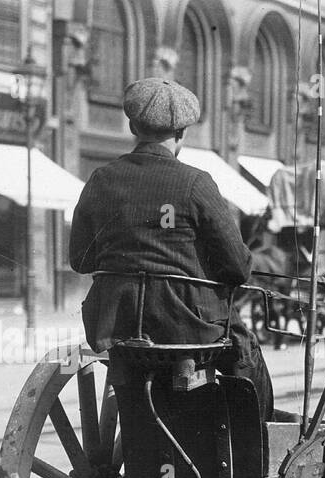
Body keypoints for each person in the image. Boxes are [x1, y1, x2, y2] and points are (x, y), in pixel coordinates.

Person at [69, 77, 273, 416]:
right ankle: (257, 438)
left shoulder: (100, 179)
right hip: (189, 328)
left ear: (133, 125)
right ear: (182, 134)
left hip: (114, 325)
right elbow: (238, 267)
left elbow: (80, 259)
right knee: (246, 350)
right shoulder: (195, 183)